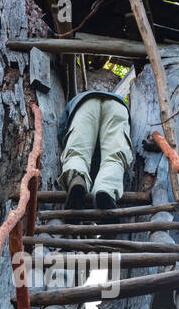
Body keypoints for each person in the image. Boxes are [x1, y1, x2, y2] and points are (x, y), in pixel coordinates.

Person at [57, 66, 134, 210]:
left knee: (78, 152)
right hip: (118, 106)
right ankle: (105, 189)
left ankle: (77, 177)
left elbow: (62, 130)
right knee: (115, 157)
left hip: (84, 103)